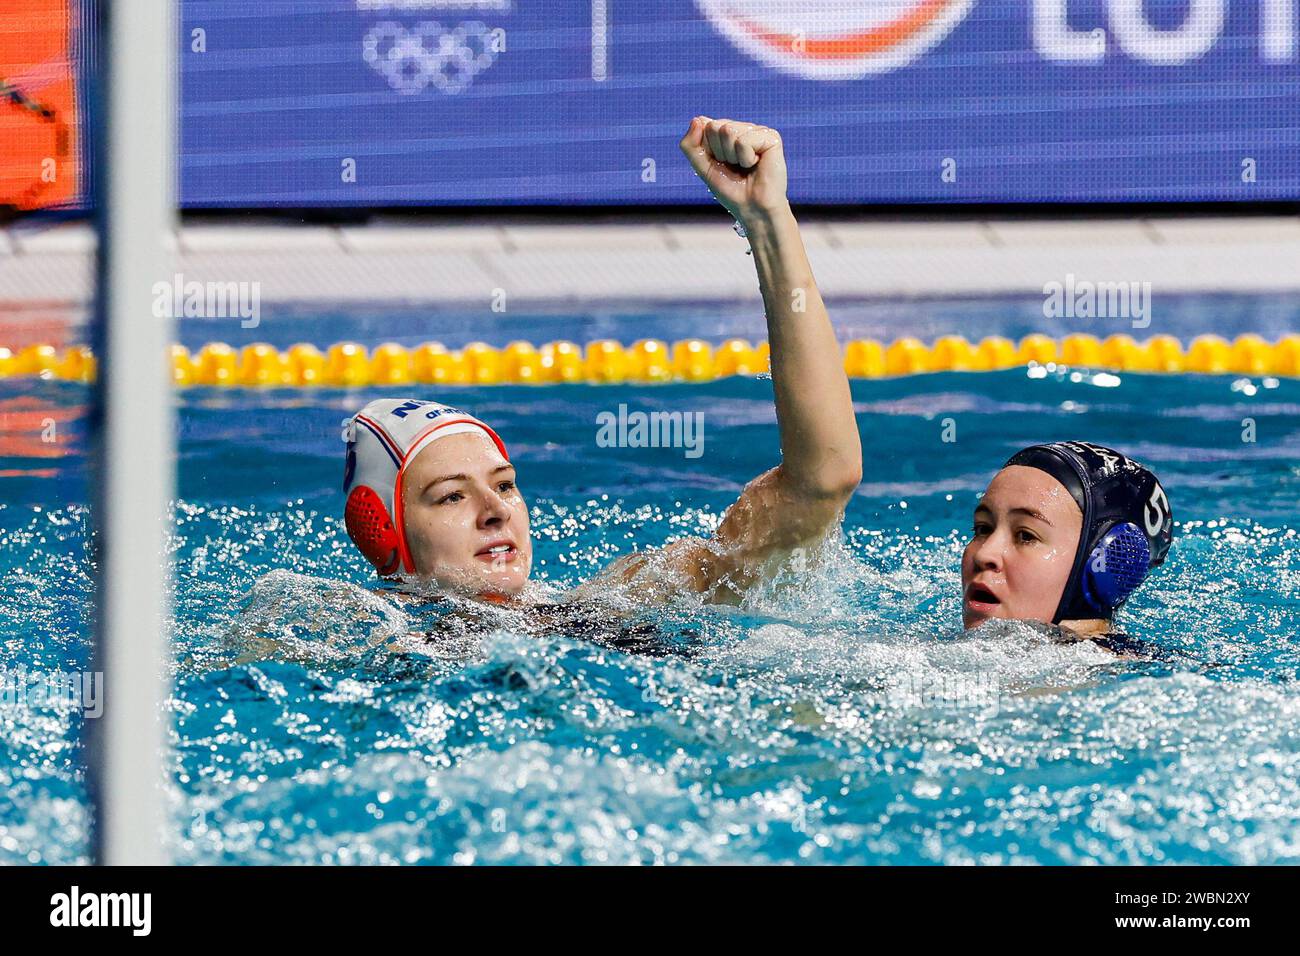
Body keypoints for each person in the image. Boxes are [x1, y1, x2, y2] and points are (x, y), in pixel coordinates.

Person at [341, 116, 863, 617]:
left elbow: (822, 482)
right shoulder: (348, 635)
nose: (495, 511)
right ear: (383, 533)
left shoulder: (616, 601)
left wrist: (767, 221)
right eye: (451, 495)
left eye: (504, 485)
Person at [963, 440, 1173, 650]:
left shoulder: (1154, 678)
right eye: (982, 529)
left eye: (1026, 536)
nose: (984, 554)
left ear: (1108, 564)